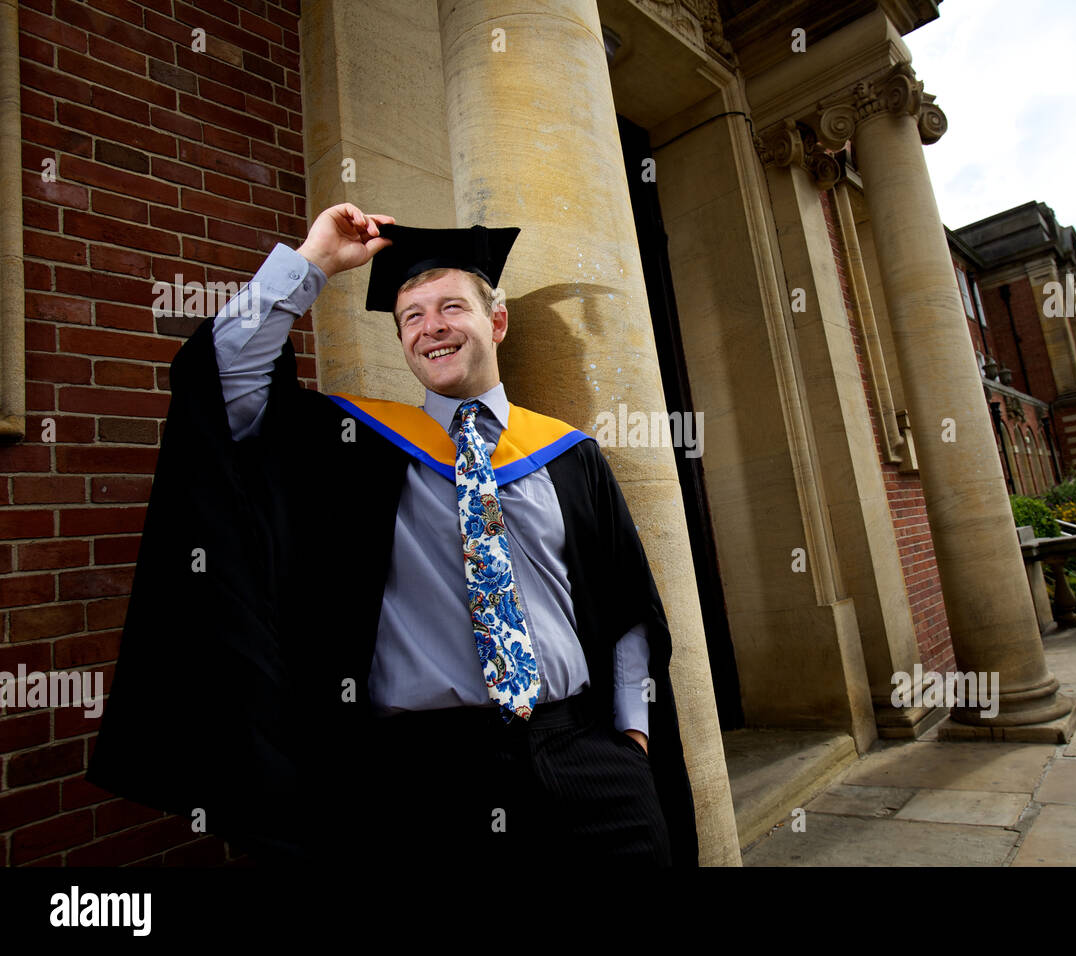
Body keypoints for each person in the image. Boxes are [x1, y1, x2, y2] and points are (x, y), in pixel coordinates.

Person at [86, 203, 698, 868]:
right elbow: (221, 381)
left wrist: (631, 740)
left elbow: (627, 608)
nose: (432, 327)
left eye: (451, 308)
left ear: (496, 321)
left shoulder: (569, 455)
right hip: (426, 783)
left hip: (588, 768)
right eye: (413, 316)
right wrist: (314, 261)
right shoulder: (358, 447)